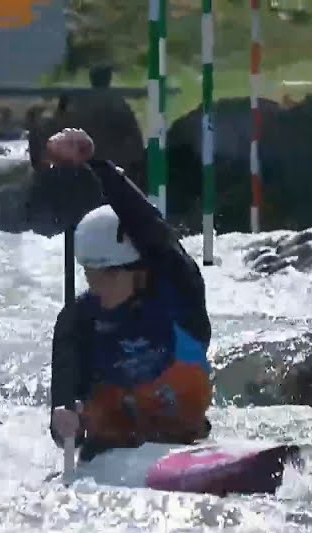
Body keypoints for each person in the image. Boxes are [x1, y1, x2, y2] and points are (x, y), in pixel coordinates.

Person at [46, 128, 213, 462]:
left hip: (184, 443)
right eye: (89, 273)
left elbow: (151, 228)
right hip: (112, 455)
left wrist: (96, 164)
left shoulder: (179, 294)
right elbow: (64, 399)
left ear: (139, 269)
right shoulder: (77, 322)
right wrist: (64, 422)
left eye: (107, 274)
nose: (96, 285)